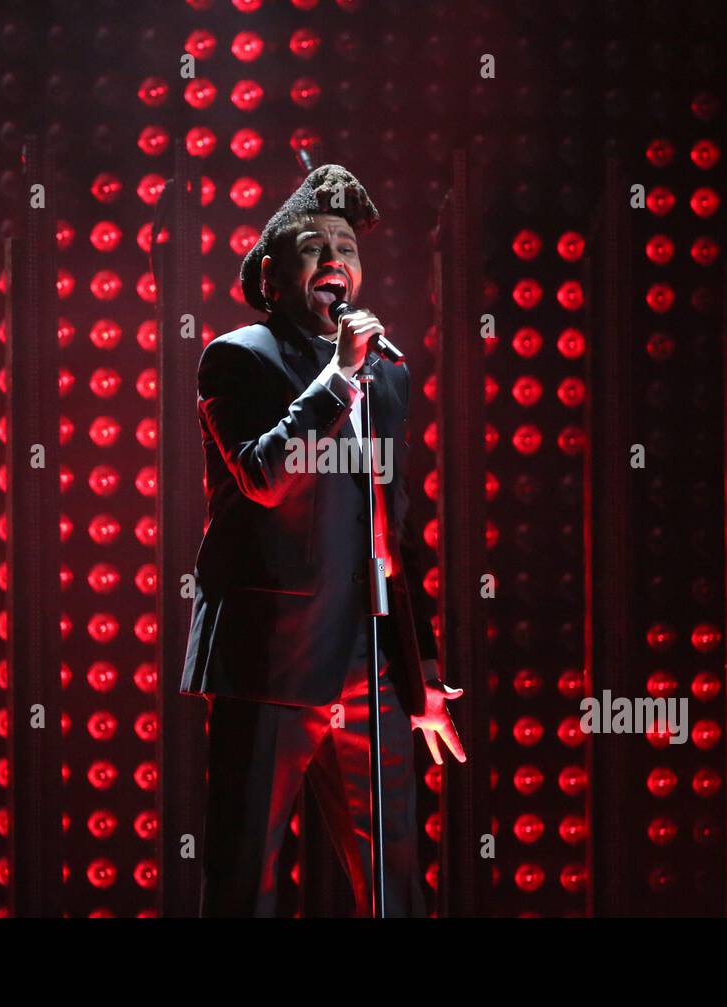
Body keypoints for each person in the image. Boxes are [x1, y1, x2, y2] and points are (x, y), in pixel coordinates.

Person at [180, 164, 467, 917]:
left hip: (369, 663)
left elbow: (396, 526)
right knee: (244, 876)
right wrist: (338, 378)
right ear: (272, 276)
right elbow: (263, 474)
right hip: (269, 656)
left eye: (347, 244)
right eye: (316, 245)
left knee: (395, 883)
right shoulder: (238, 357)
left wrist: (421, 667)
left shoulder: (390, 375)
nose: (337, 257)